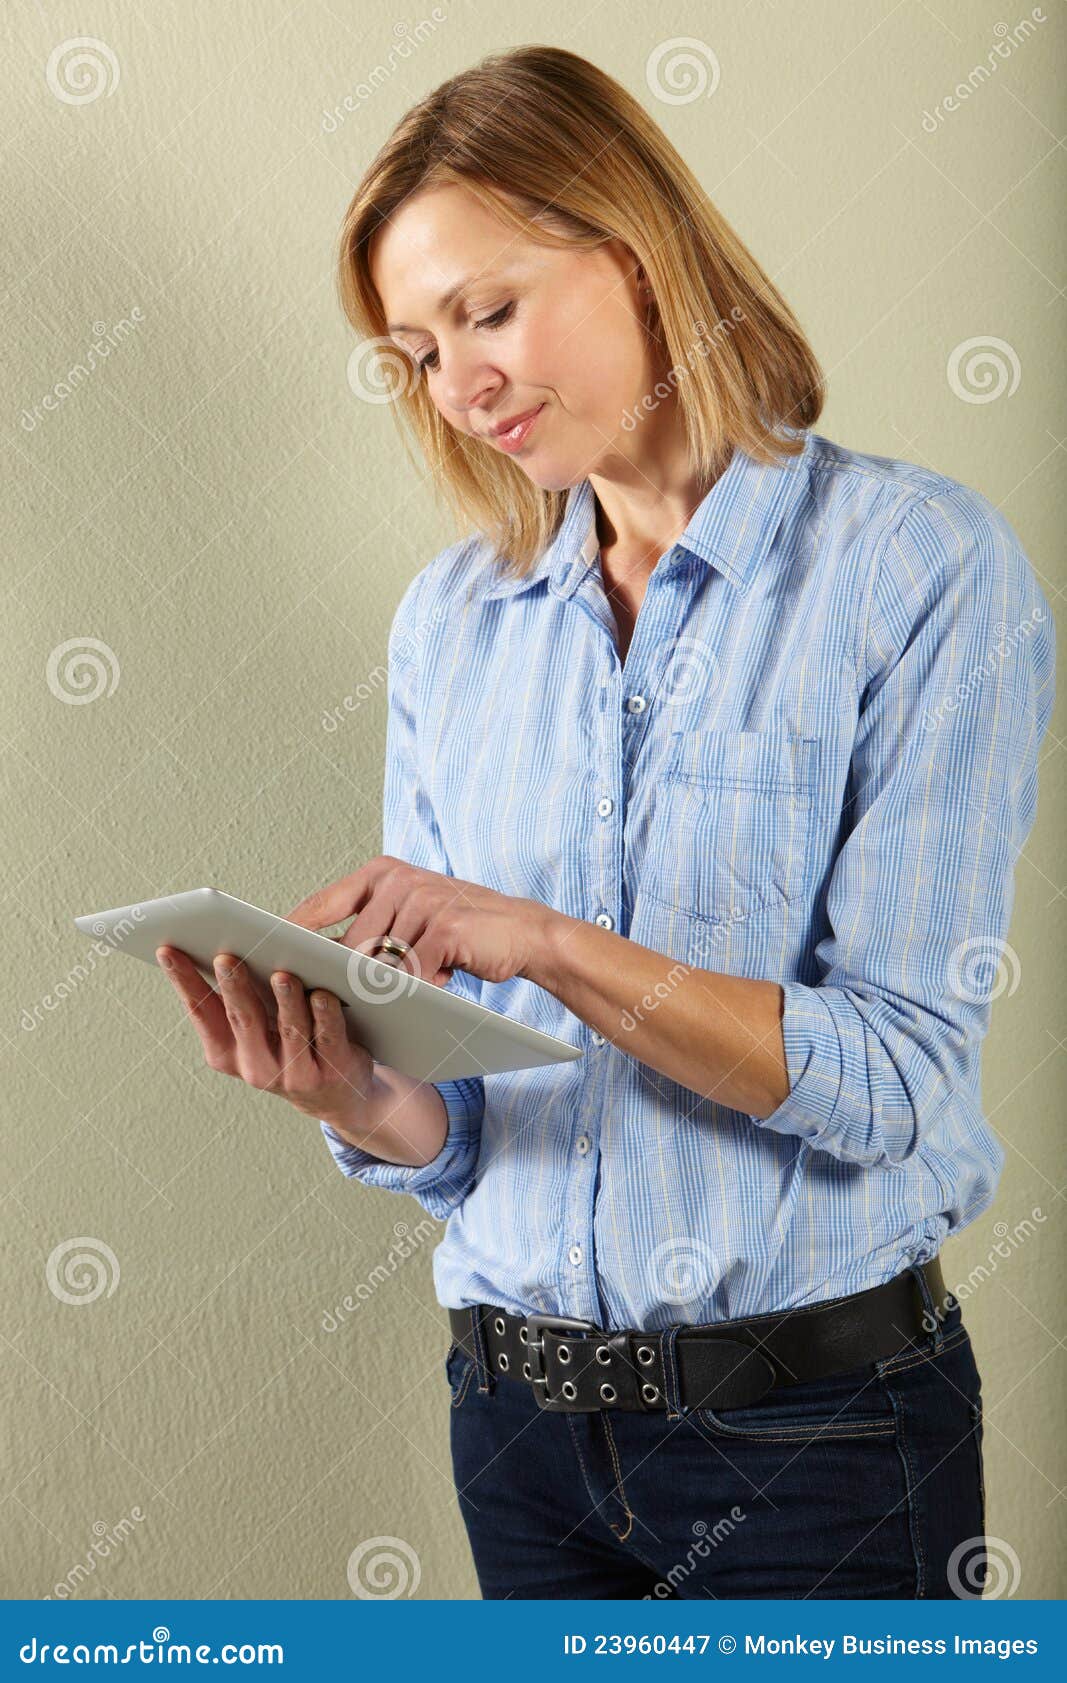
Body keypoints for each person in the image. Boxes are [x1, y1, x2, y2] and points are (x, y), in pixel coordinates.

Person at [158, 47, 1055, 1599]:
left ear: (637, 253)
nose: (460, 385)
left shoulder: (916, 570)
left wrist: (555, 943)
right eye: (418, 352)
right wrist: (357, 1092)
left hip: (818, 1443)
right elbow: (469, 1130)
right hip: (519, 1437)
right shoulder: (456, 622)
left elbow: (894, 1081)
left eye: (488, 312)